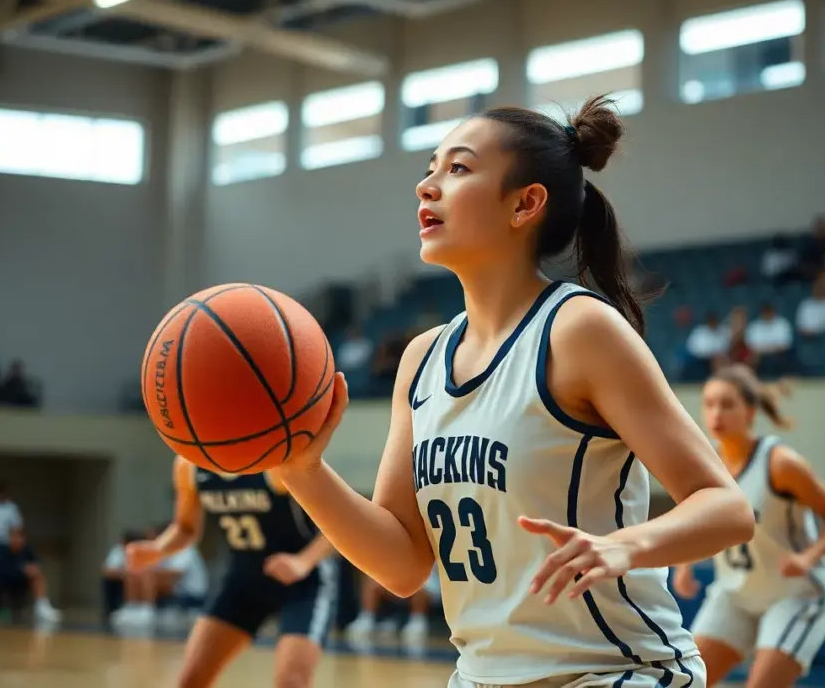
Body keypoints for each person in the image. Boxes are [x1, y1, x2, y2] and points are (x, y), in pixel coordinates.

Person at [269, 94, 756, 688]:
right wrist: (302, 472)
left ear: (525, 204)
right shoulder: (420, 359)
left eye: (459, 168)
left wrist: (626, 546)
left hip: (615, 672)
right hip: (480, 676)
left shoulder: (579, 330)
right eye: (430, 167)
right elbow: (402, 564)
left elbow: (728, 508)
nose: (427, 185)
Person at [672, 365, 825, 687]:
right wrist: (683, 565)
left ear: (751, 411)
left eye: (727, 404)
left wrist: (808, 558)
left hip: (796, 593)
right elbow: (693, 521)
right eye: (709, 404)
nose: (716, 413)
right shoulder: (704, 465)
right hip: (735, 594)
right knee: (685, 682)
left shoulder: (781, 463)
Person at [125, 458, 337, 688]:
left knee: (292, 682)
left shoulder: (275, 461)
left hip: (304, 586)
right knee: (190, 680)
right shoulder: (189, 465)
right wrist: (158, 548)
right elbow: (185, 528)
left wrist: (303, 562)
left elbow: (336, 523)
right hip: (242, 583)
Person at [0, 527, 61, 623]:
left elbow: (38, 563)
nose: (16, 540)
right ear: (9, 538)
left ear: (23, 539)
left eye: (18, 537)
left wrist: (32, 568)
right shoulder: (3, 552)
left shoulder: (27, 550)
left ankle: (42, 607)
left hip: (24, 583)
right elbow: (2, 571)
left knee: (38, 577)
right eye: (13, 537)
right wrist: (23, 569)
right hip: (7, 584)